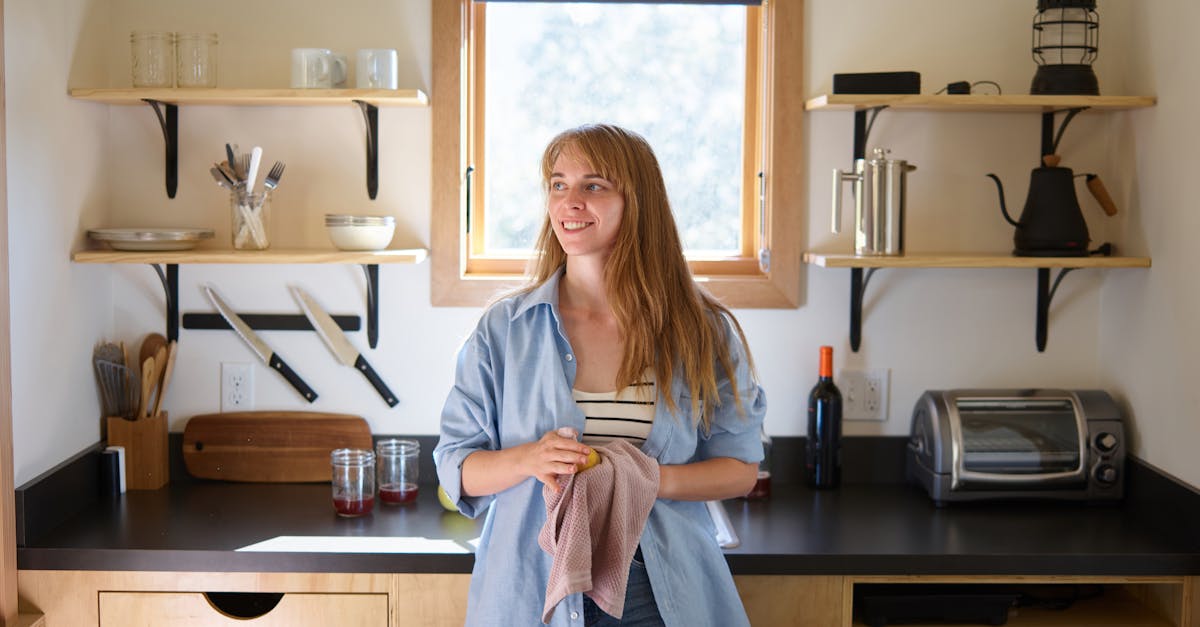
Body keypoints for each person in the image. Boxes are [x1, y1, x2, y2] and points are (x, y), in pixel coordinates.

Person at [434, 124, 766, 626]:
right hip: (532, 594)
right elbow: (455, 467)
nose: (569, 201)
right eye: (557, 183)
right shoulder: (504, 330)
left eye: (593, 185)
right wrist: (530, 458)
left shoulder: (701, 330)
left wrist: (645, 480)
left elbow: (740, 470)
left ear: (637, 202)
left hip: (659, 594)